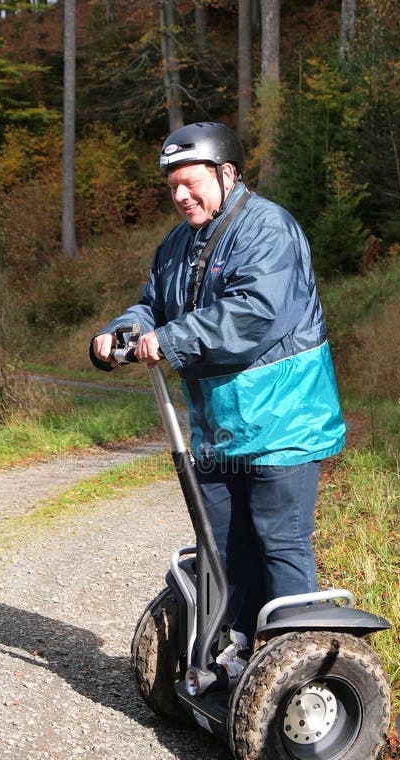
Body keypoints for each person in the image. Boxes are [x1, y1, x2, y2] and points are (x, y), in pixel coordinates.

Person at [90, 121, 346, 660]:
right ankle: (241, 655)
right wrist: (121, 332)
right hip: (219, 429)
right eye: (172, 187)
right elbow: (153, 306)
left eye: (191, 182)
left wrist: (171, 338)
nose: (181, 195)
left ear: (226, 175)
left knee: (279, 547)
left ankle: (297, 678)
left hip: (283, 423)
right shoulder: (177, 246)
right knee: (224, 550)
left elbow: (255, 314)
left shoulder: (268, 230)